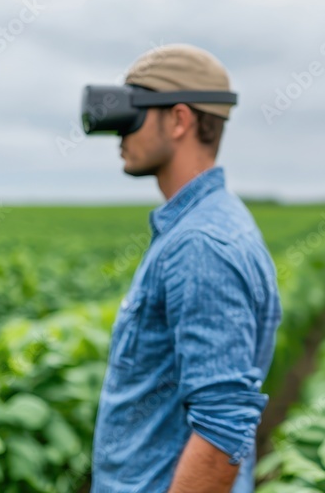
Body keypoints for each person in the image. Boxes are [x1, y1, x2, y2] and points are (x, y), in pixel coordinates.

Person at [90, 44, 282, 493]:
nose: (119, 132)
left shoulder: (200, 244)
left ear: (179, 120)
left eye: (132, 112)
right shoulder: (209, 222)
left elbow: (222, 428)